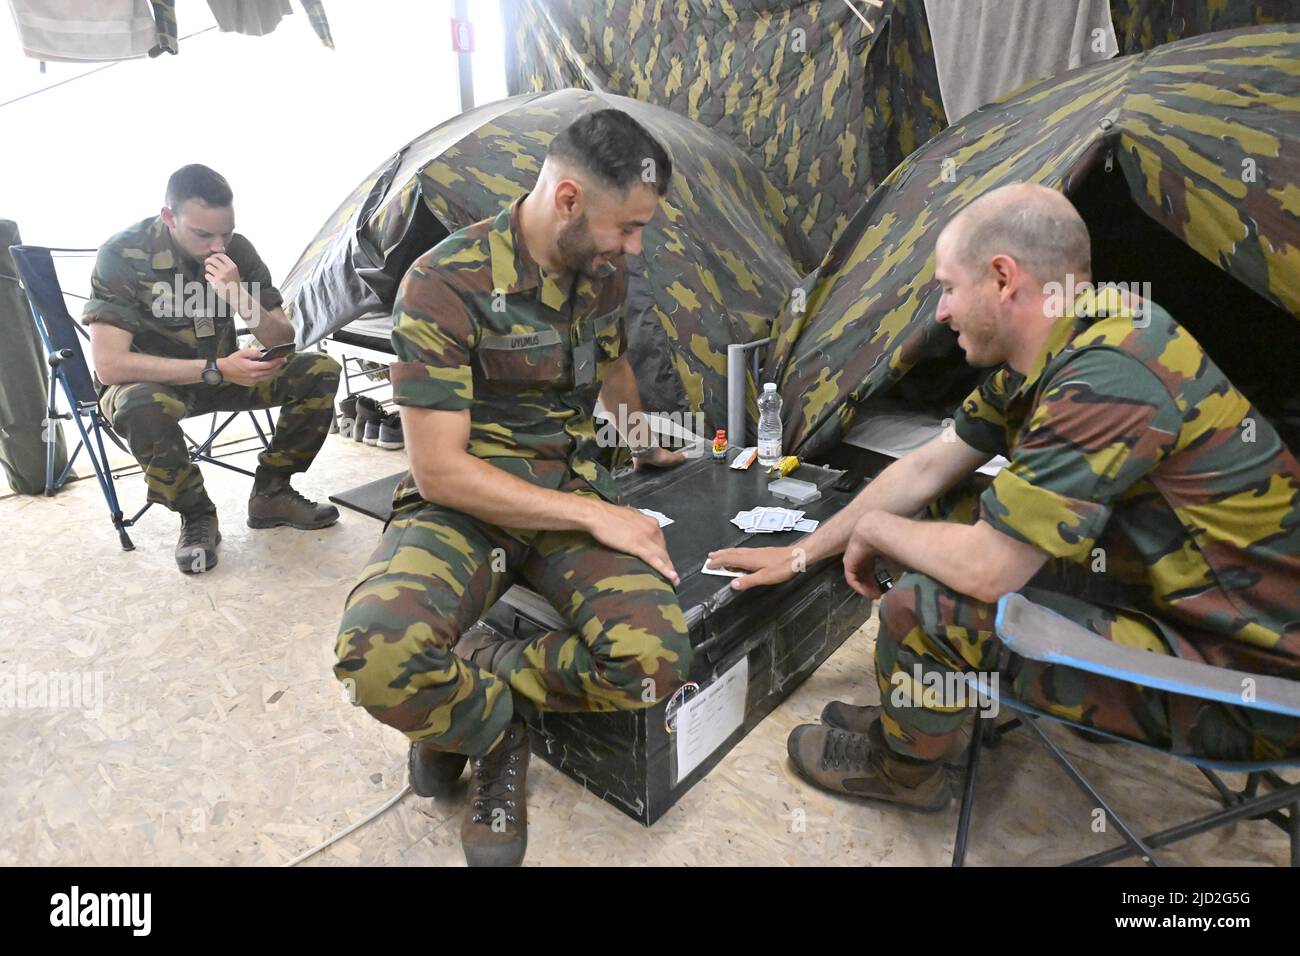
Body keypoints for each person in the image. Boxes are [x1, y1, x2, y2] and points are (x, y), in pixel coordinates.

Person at [710, 182, 1300, 811]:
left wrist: (879, 532)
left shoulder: (1112, 371)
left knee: (928, 603)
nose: (939, 313)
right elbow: (928, 468)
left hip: (1247, 680)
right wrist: (803, 553)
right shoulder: (1072, 337)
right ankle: (936, 714)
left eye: (946, 287)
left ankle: (905, 770)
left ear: (1001, 278)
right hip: (1177, 600)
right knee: (944, 510)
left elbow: (992, 570)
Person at [334, 110, 694, 866]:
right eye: (626, 227)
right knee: (377, 656)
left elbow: (615, 362)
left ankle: (483, 669)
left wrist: (635, 438)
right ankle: (493, 732)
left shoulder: (603, 269)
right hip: (470, 502)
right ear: (567, 199)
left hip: (571, 487)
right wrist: (595, 517)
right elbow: (439, 470)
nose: (634, 247)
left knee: (654, 663)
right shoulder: (442, 283)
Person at [84, 164, 341, 573]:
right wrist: (215, 369)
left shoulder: (236, 252)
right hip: (154, 385)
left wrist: (239, 296)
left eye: (227, 232)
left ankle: (272, 493)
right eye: (203, 235)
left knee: (320, 370)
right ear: (169, 217)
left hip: (225, 372)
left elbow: (282, 339)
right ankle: (197, 515)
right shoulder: (123, 254)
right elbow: (110, 365)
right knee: (140, 405)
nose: (217, 246)